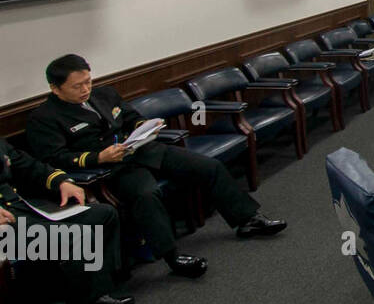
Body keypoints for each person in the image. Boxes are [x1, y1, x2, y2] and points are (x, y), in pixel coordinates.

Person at [26, 55, 286, 280]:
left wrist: (142, 126)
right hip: (113, 168)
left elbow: (128, 117)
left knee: (209, 166)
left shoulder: (104, 94)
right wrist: (98, 158)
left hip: (143, 150)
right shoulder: (44, 118)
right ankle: (173, 257)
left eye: (88, 82)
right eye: (77, 86)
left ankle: (247, 220)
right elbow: (55, 157)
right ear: (55, 88)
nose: (85, 89)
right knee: (146, 195)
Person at [0, 139, 135, 304]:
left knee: (103, 215)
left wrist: (61, 181)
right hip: (5, 230)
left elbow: (27, 164)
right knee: (75, 238)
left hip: (21, 209)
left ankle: (95, 295)